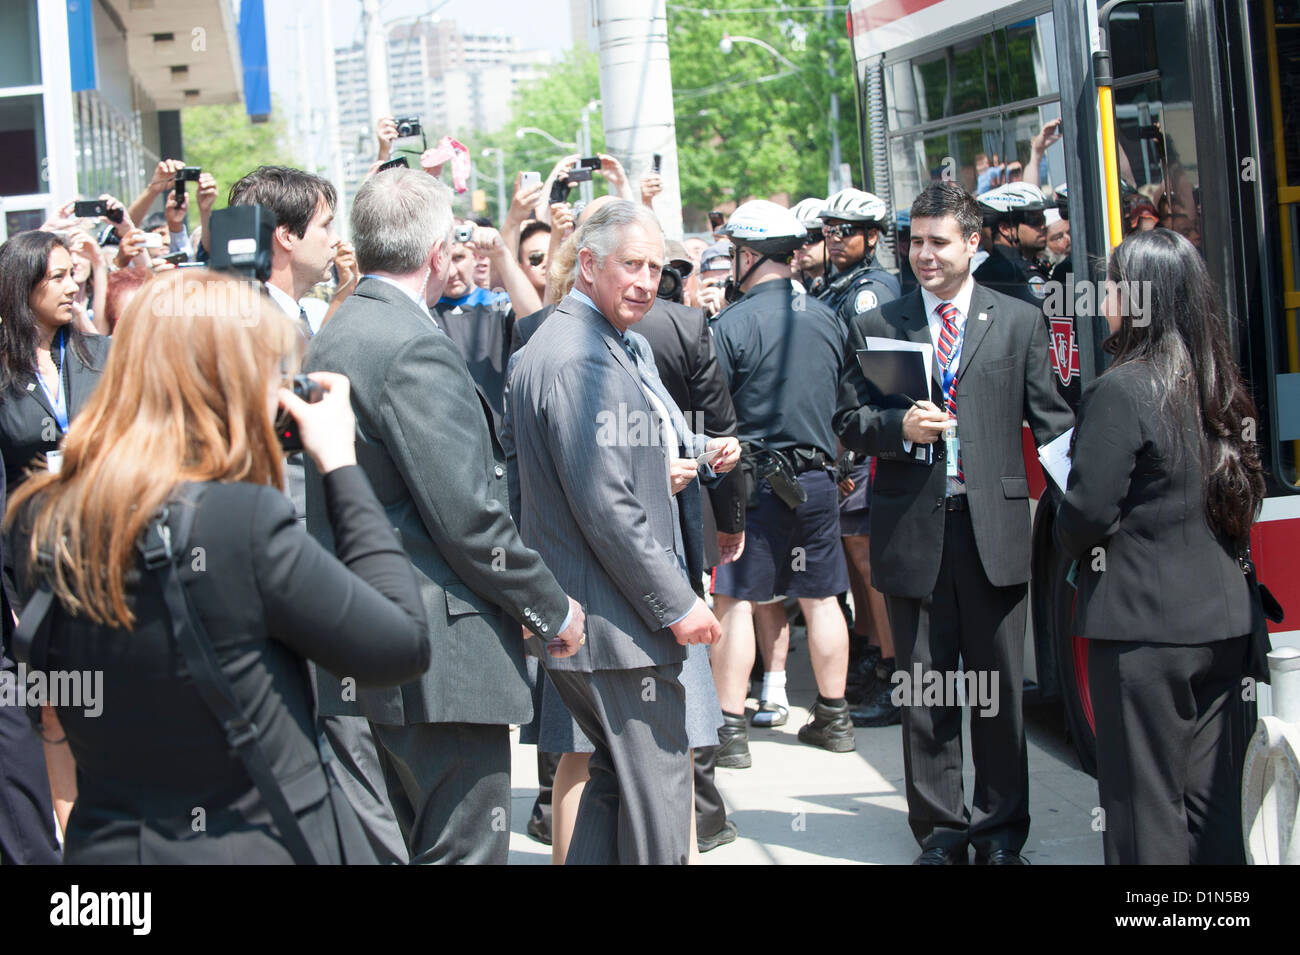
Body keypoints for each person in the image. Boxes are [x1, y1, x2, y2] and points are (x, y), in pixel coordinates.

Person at [3, 268, 432, 863]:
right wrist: (341, 465)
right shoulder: (239, 522)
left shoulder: (43, 516)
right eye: (272, 372)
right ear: (228, 382)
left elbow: (55, 704)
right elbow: (400, 645)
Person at [304, 166, 586, 865]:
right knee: (462, 851)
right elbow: (469, 520)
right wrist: (551, 606)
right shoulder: (412, 345)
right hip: (440, 660)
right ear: (436, 254)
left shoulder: (341, 329)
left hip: (375, 637)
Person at [834, 182, 1073, 864]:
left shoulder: (1018, 319)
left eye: (939, 242)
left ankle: (999, 833)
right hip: (913, 531)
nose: (924, 255)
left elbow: (1053, 424)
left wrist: (1091, 507)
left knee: (998, 694)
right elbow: (848, 422)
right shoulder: (881, 322)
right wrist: (898, 427)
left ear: (973, 242)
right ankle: (941, 833)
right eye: (915, 242)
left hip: (991, 531)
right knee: (926, 693)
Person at [509, 199, 739, 864]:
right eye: (629, 265)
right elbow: (606, 504)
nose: (644, 279)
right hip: (621, 632)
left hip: (600, 626)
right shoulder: (582, 355)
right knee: (659, 816)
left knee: (610, 799)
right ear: (586, 264)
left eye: (653, 267)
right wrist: (679, 602)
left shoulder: (591, 341)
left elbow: (613, 470)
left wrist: (695, 449)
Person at [1054, 229, 1261, 864]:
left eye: (1113, 284)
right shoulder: (1217, 379)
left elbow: (1087, 514)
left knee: (1144, 803)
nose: (1104, 296)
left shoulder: (1123, 388)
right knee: (1212, 799)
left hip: (1145, 628)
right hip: (1228, 620)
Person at [709, 200, 856, 759]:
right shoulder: (828, 318)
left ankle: (730, 733)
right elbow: (845, 409)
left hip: (752, 485)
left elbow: (712, 413)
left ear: (748, 255)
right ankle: (835, 719)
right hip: (818, 482)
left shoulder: (731, 325)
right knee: (822, 599)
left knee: (735, 600)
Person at [972, 182, 1052, 307]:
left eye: (1043, 219)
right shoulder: (1018, 274)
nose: (1042, 226)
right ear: (1005, 229)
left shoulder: (980, 274)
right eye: (1034, 220)